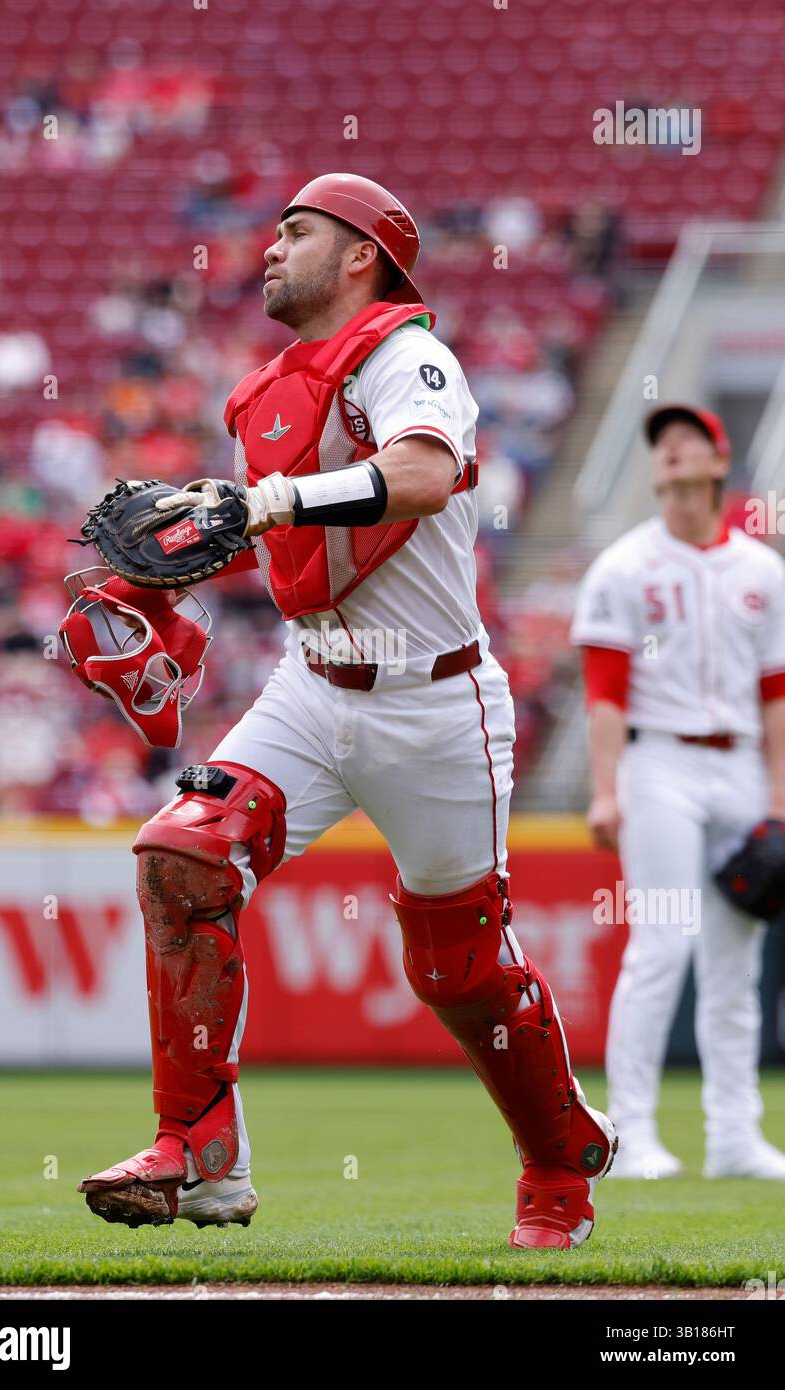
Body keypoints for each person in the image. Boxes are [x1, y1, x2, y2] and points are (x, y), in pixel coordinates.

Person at [76, 172, 616, 1248]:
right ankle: (200, 1152)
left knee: (457, 973)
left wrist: (267, 498)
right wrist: (146, 596)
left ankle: (559, 1161)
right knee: (179, 855)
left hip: (434, 701)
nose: (270, 246)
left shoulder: (406, 353)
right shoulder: (272, 388)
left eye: (296, 229)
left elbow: (417, 475)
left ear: (360, 253)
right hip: (313, 684)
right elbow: (266, 540)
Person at [571, 404, 785, 1179]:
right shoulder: (627, 565)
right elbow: (605, 693)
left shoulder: (762, 570)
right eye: (661, 443)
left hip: (740, 770)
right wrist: (604, 792)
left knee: (739, 958)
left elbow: (776, 694)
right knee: (662, 944)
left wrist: (779, 798)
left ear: (719, 461)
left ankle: (734, 1135)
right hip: (657, 762)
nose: (670, 452)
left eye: (686, 440)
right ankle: (629, 1132)